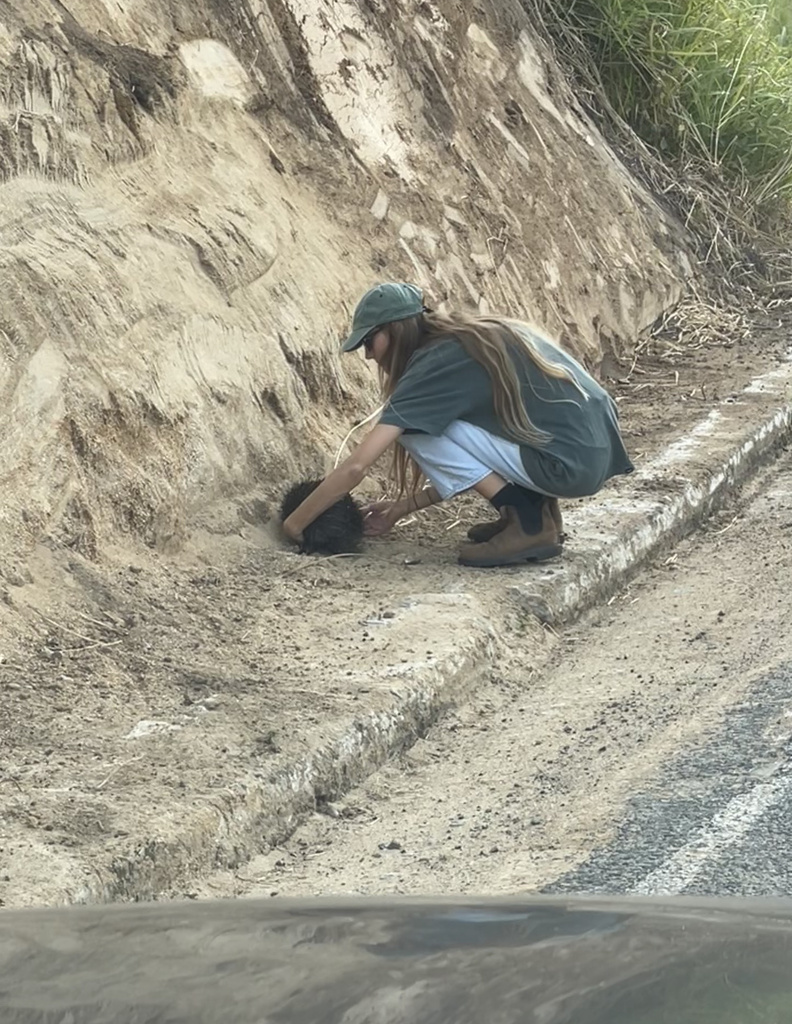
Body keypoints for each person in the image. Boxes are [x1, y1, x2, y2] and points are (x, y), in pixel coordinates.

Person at [281, 282, 634, 568]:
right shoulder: (466, 338)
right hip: (587, 451)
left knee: (414, 429)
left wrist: (294, 524)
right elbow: (479, 458)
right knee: (436, 423)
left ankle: (527, 521)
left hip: (569, 464)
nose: (369, 355)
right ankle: (538, 512)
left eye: (369, 341)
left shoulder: (433, 366)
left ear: (392, 331)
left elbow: (357, 465)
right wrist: (401, 509)